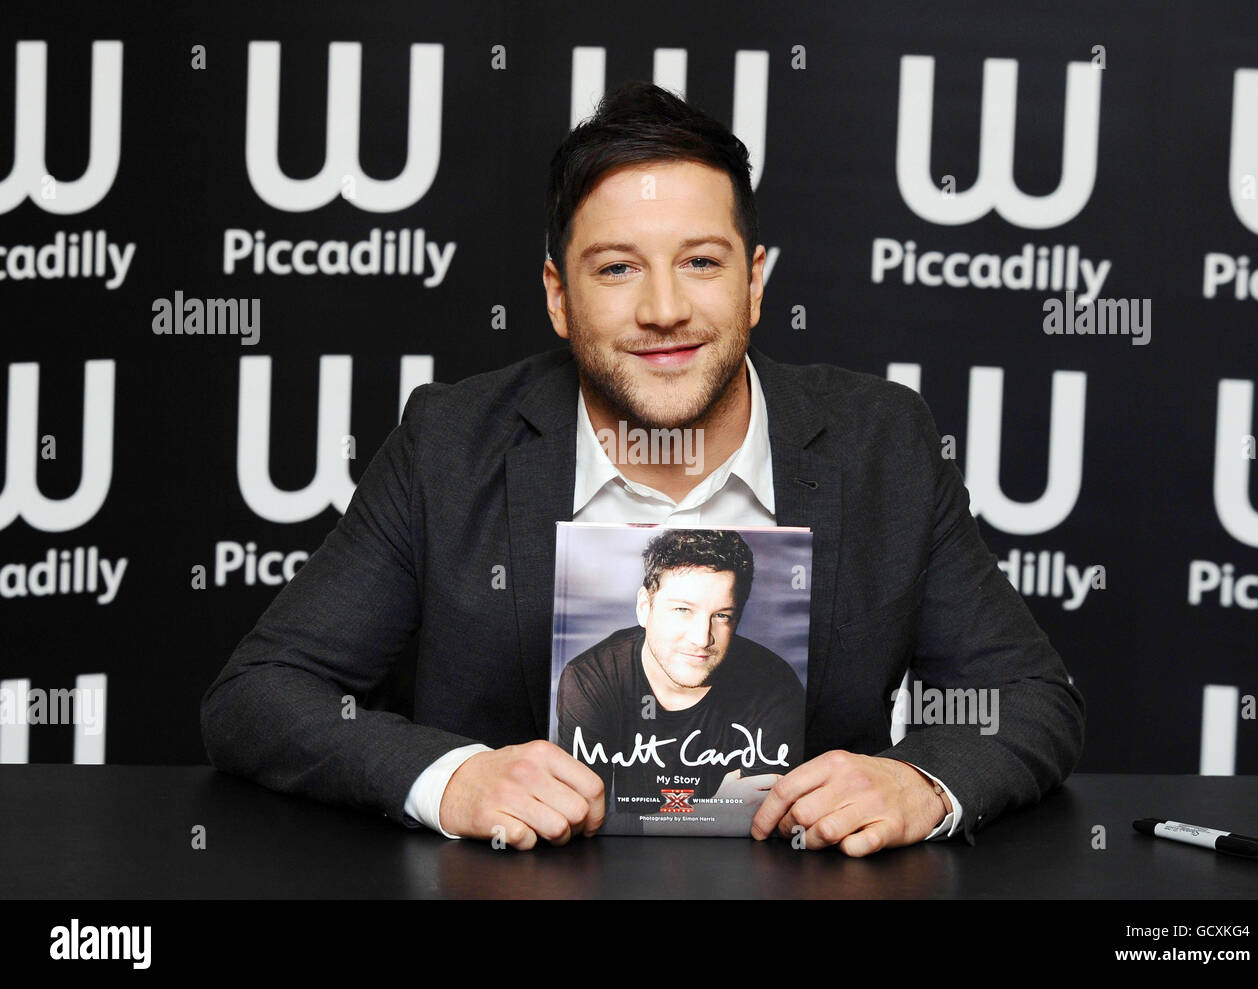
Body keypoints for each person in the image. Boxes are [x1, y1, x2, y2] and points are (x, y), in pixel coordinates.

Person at [201, 81, 1085, 856]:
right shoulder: (448, 442)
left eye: (701, 261)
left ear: (755, 281)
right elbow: (257, 696)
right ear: (557, 296)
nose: (665, 309)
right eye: (618, 268)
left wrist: (922, 784)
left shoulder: (883, 441)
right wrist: (452, 779)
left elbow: (1031, 699)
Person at [555, 528, 805, 831]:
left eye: (722, 615)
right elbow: (580, 824)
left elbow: (766, 828)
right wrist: (708, 814)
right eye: (683, 610)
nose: (702, 638)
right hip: (625, 869)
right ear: (644, 608)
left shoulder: (773, 686)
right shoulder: (592, 678)